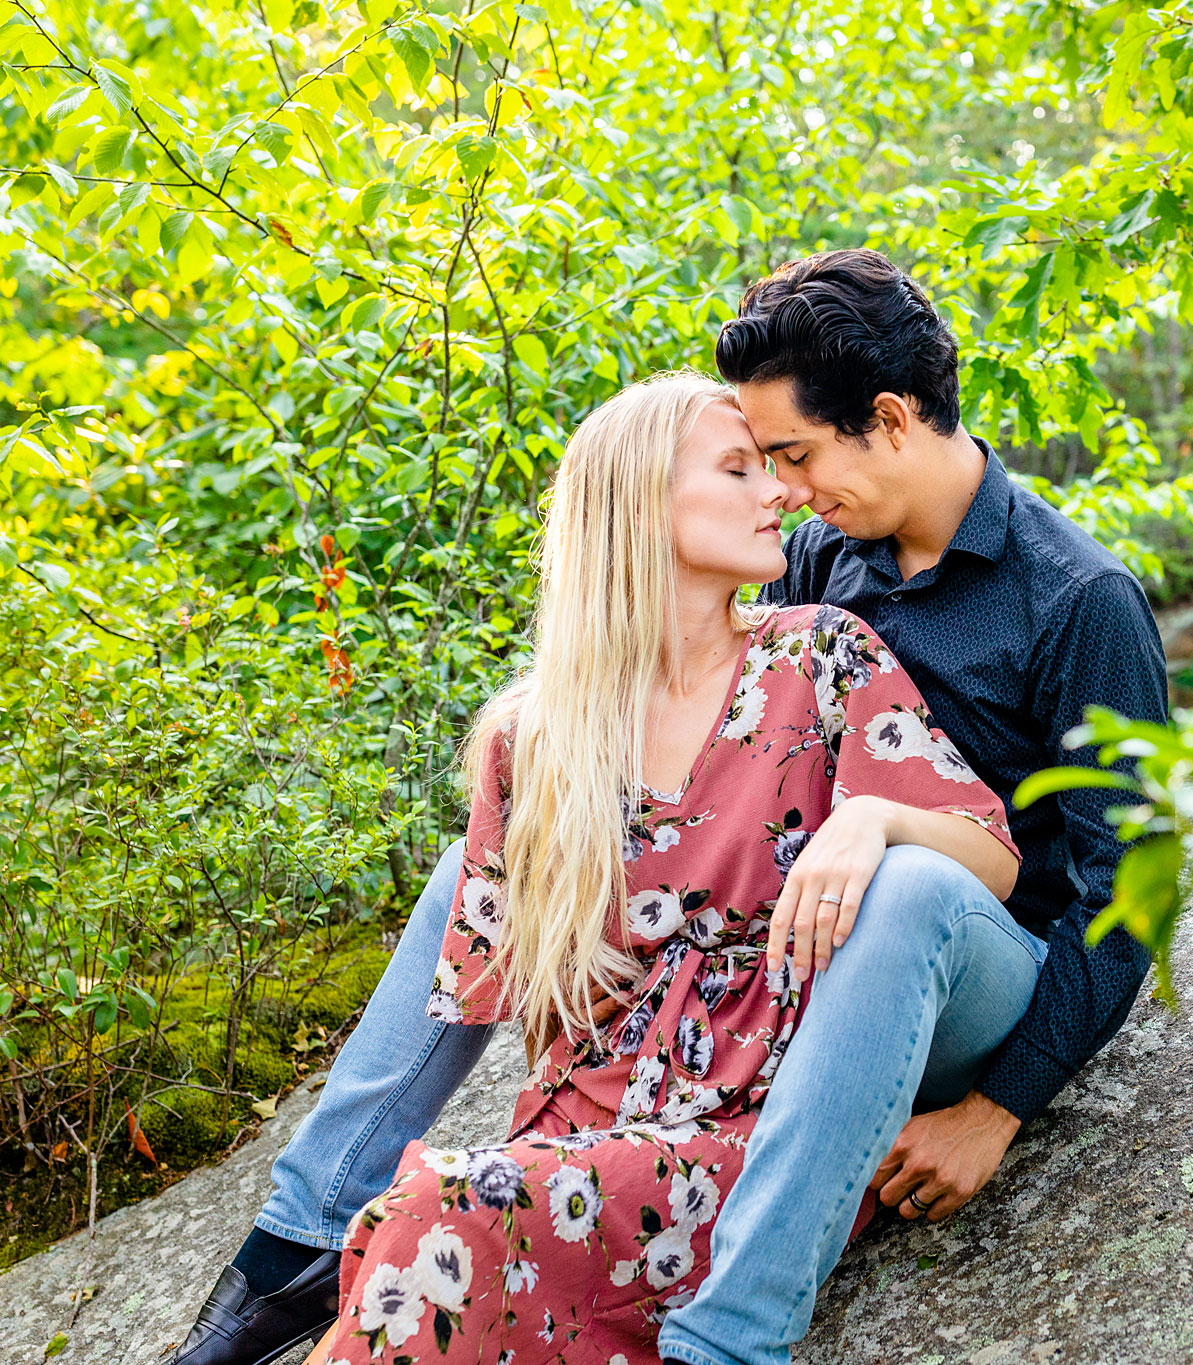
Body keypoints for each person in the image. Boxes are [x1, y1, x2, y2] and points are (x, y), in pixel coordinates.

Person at [167, 248, 1169, 1365]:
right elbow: (740, 731)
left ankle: (731, 1339)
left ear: (889, 419)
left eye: (790, 455)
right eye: (758, 465)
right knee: (489, 860)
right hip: (796, 963)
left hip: (953, 970)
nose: (782, 490)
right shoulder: (824, 556)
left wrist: (999, 1109)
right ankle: (289, 1240)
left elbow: (1130, 889)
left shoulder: (1078, 600)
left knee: (906, 885)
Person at [296, 369, 1021, 1363]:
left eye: (773, 467)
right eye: (738, 469)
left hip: (767, 1143)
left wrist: (879, 821)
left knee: (440, 1212)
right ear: (636, 503)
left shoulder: (818, 658)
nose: (780, 493)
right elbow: (509, 1000)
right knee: (414, 1233)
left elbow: (986, 859)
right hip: (601, 1132)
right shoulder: (535, 738)